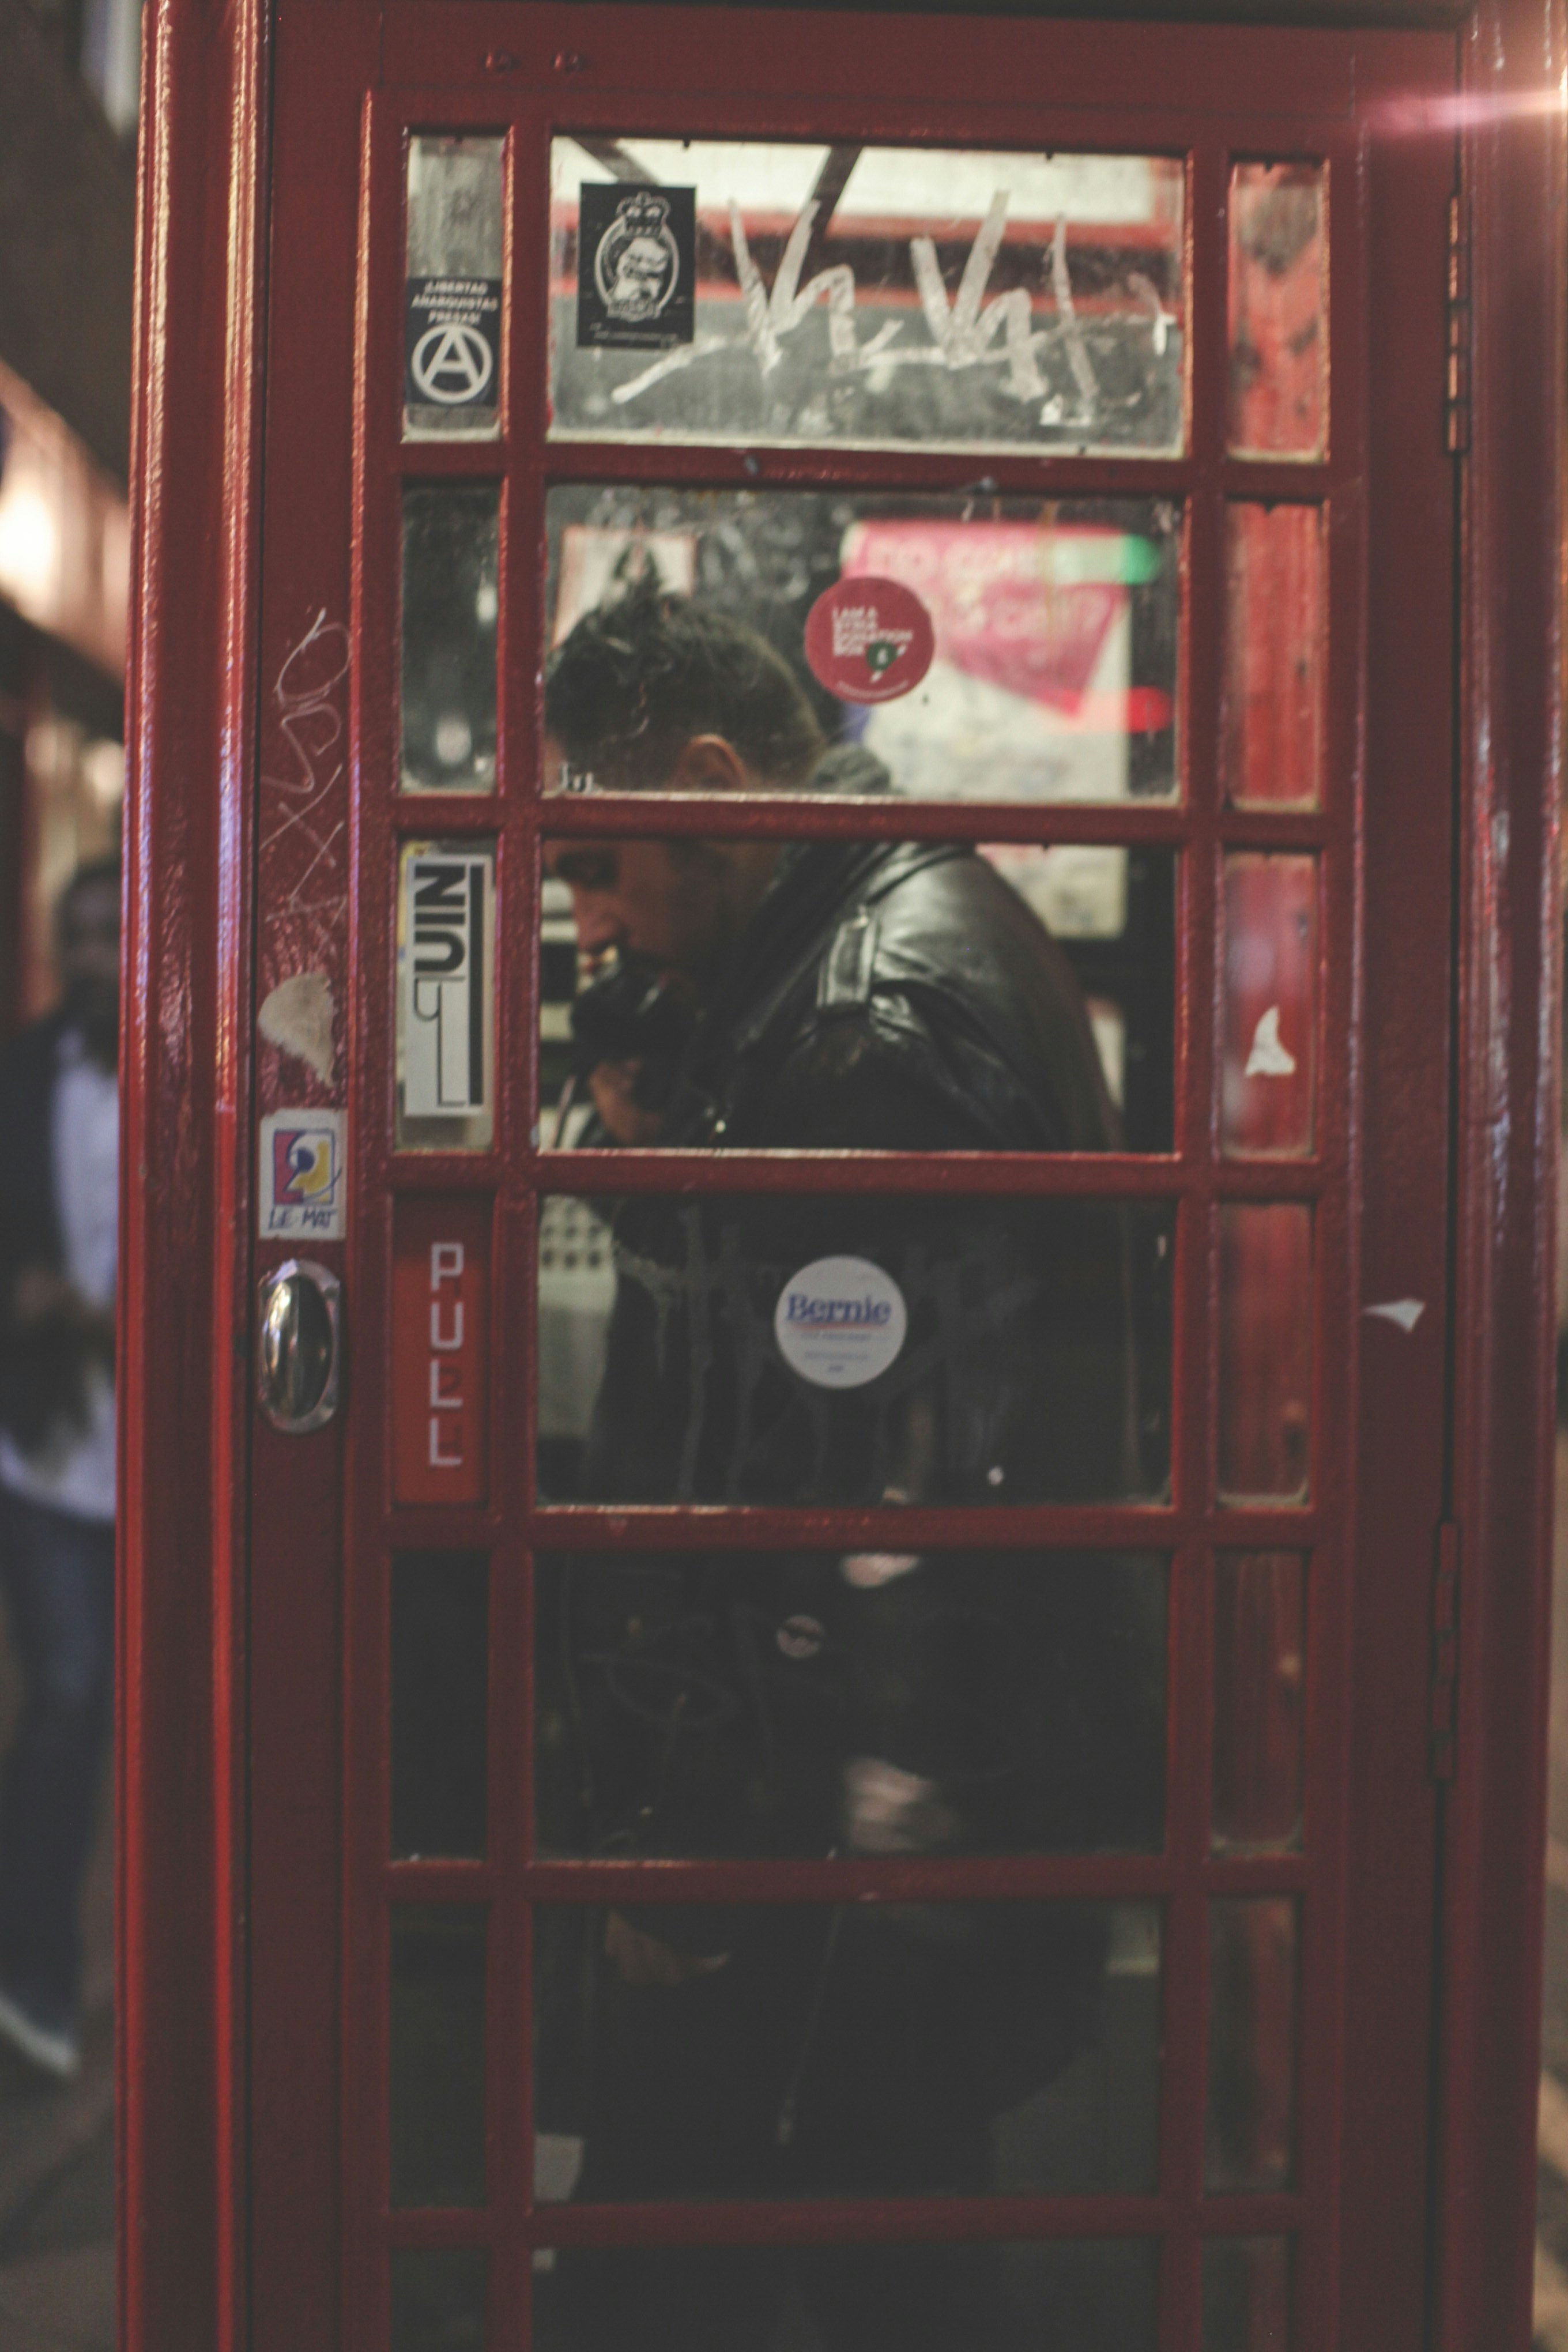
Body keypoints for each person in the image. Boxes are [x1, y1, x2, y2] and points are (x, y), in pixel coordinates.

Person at [537, 583, 1162, 2350]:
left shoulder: (871, 1024)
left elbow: (858, 1494)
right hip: (894, 1829)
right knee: (872, 2255)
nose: (589, 918)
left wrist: (700, 1855)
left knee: (699, 2281)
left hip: (837, 1848)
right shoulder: (860, 949)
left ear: (711, 785)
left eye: (599, 864)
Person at [0, 857, 120, 2080]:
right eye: (75, 935)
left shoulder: (200, 1076)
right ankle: (31, 1979)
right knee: (70, 1698)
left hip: (174, 1461)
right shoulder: (20, 1074)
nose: (92, 957)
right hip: (44, 1454)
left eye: (111, 933)